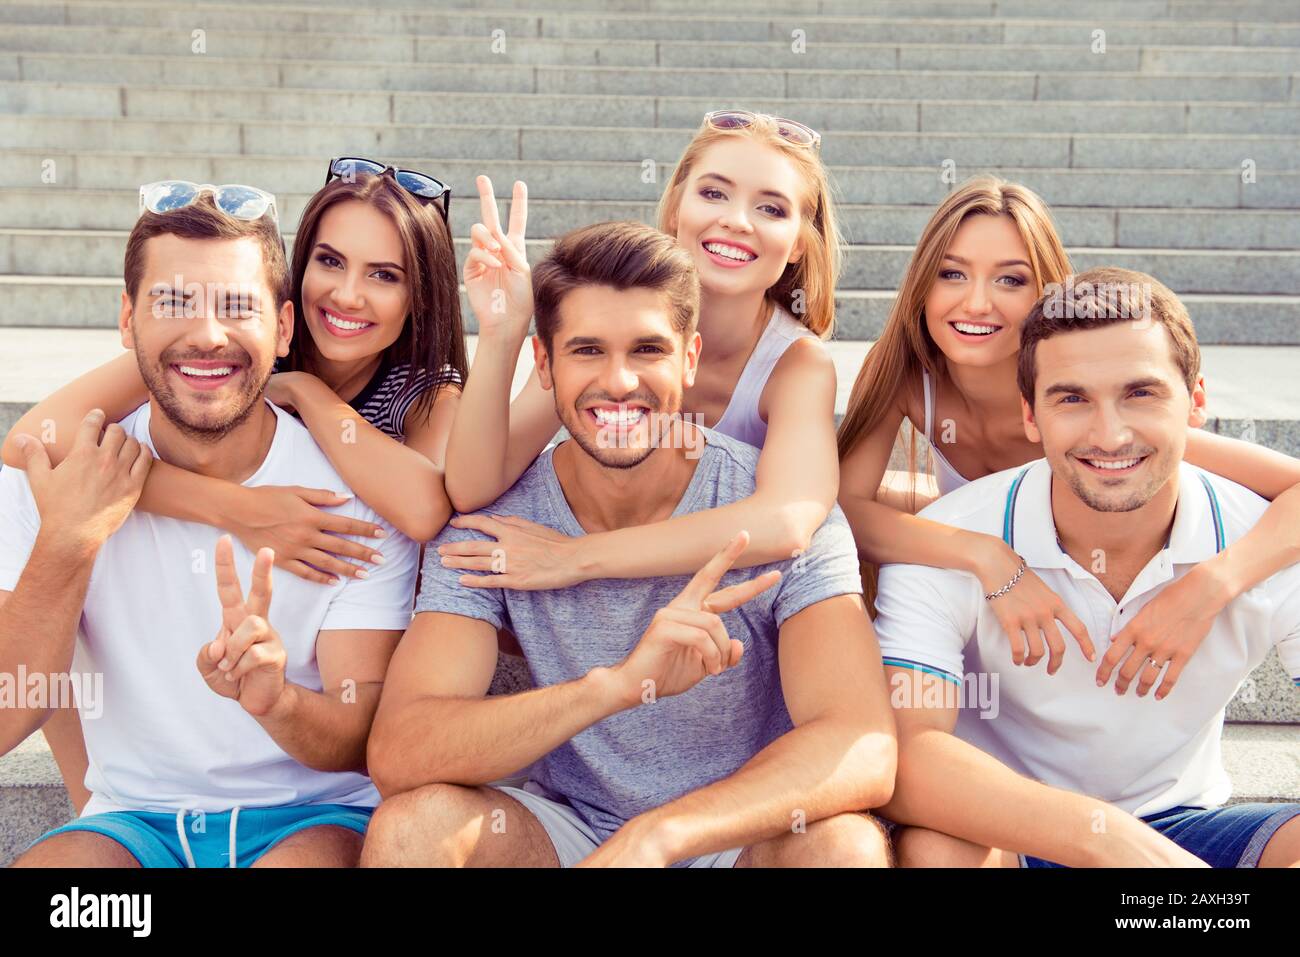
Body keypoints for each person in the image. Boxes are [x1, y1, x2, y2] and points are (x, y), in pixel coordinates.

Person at [361, 221, 896, 868]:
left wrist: (659, 835)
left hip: (734, 833)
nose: (618, 381)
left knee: (846, 847)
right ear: (544, 364)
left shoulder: (773, 507)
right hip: (572, 832)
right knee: (412, 827)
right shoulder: (500, 524)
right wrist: (614, 686)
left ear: (689, 359)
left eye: (647, 349)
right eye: (587, 350)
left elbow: (862, 746)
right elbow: (400, 751)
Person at [2, 164, 464, 812]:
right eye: (329, 261)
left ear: (422, 297)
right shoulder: (210, 345)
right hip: (140, 759)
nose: (348, 294)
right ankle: (93, 801)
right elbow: (31, 442)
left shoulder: (422, 389)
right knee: (58, 537)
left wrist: (303, 390)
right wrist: (238, 510)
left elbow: (419, 507)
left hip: (331, 686)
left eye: (385, 275)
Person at [872, 268, 1300, 868]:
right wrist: (1104, 841)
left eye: (1140, 393)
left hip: (1186, 825)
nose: (1110, 433)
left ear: (1196, 401)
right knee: (935, 850)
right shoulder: (950, 537)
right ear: (1030, 415)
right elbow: (909, 755)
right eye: (1072, 398)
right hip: (1011, 830)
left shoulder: (1267, 544)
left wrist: (1211, 583)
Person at [837, 176, 1300, 698]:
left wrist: (1210, 584)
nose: (976, 303)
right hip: (972, 532)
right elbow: (843, 510)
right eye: (951, 274)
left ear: (1048, 295)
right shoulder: (905, 367)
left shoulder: (1086, 405)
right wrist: (987, 556)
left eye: (1011, 280)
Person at [438, 110, 843, 590]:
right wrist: (503, 330)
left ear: (799, 242)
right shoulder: (608, 319)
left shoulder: (796, 364)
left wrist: (576, 558)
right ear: (675, 209)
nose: (735, 221)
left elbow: (788, 521)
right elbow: (472, 488)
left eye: (771, 208)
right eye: (713, 193)